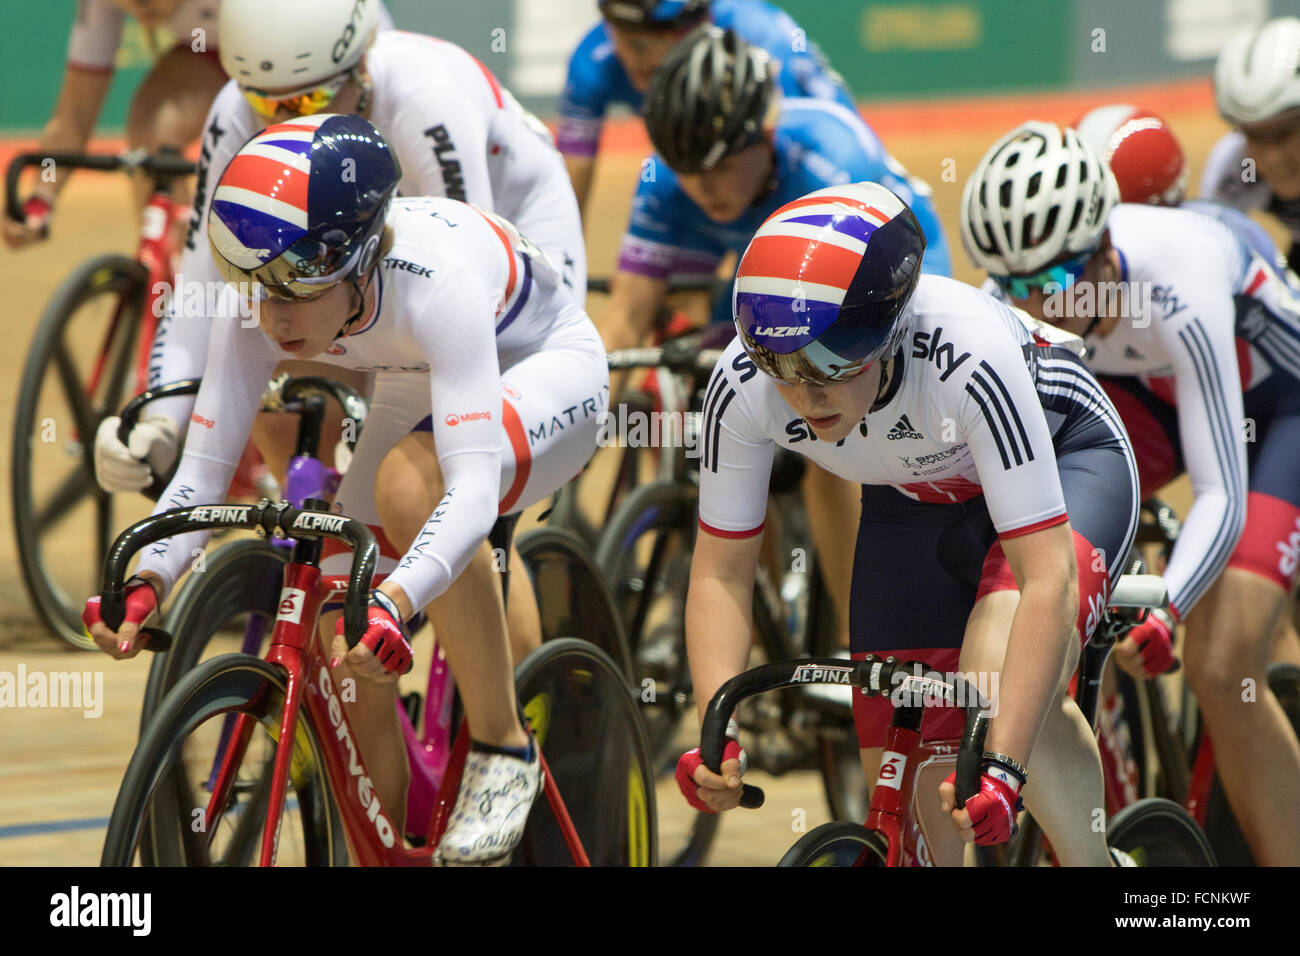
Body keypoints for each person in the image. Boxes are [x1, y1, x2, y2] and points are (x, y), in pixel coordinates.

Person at [82, 115, 608, 864]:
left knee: (406, 490)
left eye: (296, 285)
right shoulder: (271, 290)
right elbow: (200, 473)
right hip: (411, 373)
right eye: (253, 285)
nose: (271, 315)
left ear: (358, 255)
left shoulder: (441, 282)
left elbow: (468, 490)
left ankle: (502, 747)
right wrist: (147, 579)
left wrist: (397, 602)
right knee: (342, 633)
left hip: (544, 366)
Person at [675, 181, 1140, 864]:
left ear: (891, 333)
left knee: (996, 679)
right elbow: (721, 569)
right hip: (912, 493)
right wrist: (716, 728)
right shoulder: (741, 386)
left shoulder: (968, 357)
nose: (804, 394)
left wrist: (1006, 767)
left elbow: (1048, 581)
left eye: (831, 363)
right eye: (779, 365)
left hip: (1069, 457)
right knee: (906, 767)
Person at [92, 0, 584, 638]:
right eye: (267, 105)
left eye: (310, 99)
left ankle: (507, 711)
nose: (290, 117)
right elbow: (203, 284)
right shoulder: (235, 113)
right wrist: (163, 420)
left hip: (503, 239)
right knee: (283, 401)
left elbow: (459, 288)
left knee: (437, 476)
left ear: (362, 66)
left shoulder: (423, 99)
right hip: (341, 265)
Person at [962, 120, 1300, 865]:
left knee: (1221, 662)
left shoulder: (1179, 276)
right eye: (1012, 287)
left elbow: (1220, 492)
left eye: (1051, 282)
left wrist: (1170, 605)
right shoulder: (1024, 294)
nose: (1034, 306)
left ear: (1105, 252)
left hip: (1278, 408)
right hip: (1145, 391)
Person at [600, 25, 951, 651]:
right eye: (686, 172)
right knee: (687, 386)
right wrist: (593, 413)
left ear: (762, 138)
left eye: (720, 167)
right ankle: (754, 623)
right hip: (760, 272)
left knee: (834, 444)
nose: (702, 188)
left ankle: (856, 642)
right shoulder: (667, 181)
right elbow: (629, 314)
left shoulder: (828, 157)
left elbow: (859, 307)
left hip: (877, 276)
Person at [559, 0, 855, 220]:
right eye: (625, 40)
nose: (638, 60)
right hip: (721, 162)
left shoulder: (758, 39)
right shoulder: (592, 60)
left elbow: (767, 161)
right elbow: (571, 183)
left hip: (807, 164)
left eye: (654, 42)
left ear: (698, 27)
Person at [4, 0, 227, 247]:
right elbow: (74, 116)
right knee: (152, 139)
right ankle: (180, 268)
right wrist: (40, 198)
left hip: (272, 44)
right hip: (209, 47)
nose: (140, 8)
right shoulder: (101, 3)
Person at [1203, 16, 1300, 275]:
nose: (1274, 157)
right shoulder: (1234, 163)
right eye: (1254, 136)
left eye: (1285, 133)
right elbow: (1210, 256)